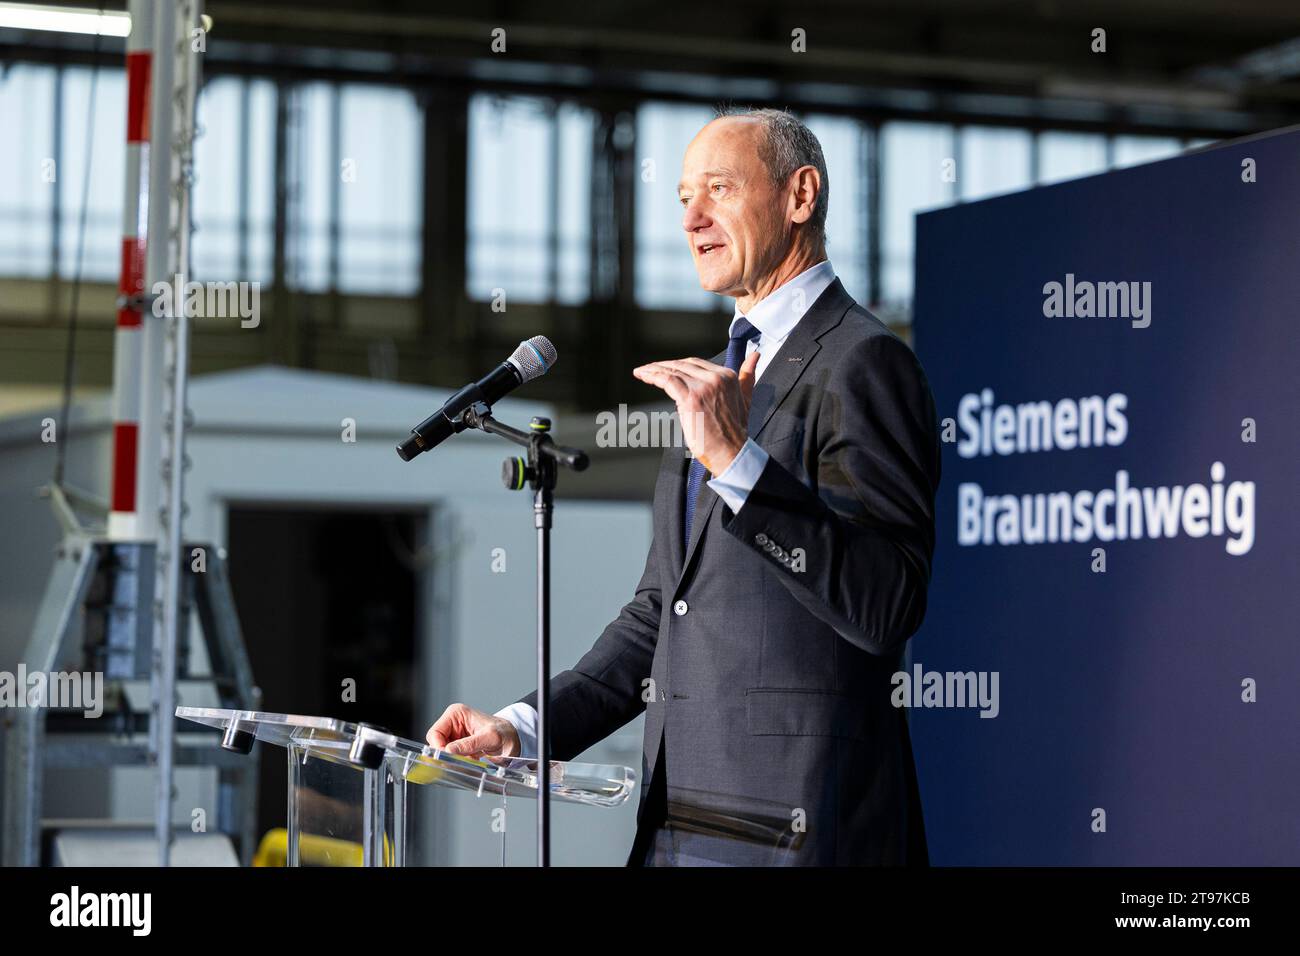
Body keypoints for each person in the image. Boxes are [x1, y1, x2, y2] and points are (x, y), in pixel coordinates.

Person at [428, 107, 940, 865]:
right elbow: (659, 615)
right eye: (681, 198)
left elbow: (888, 604)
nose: (692, 217)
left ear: (801, 196)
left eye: (719, 189)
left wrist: (740, 464)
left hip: (801, 833)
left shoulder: (862, 363)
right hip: (681, 826)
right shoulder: (716, 380)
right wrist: (525, 726)